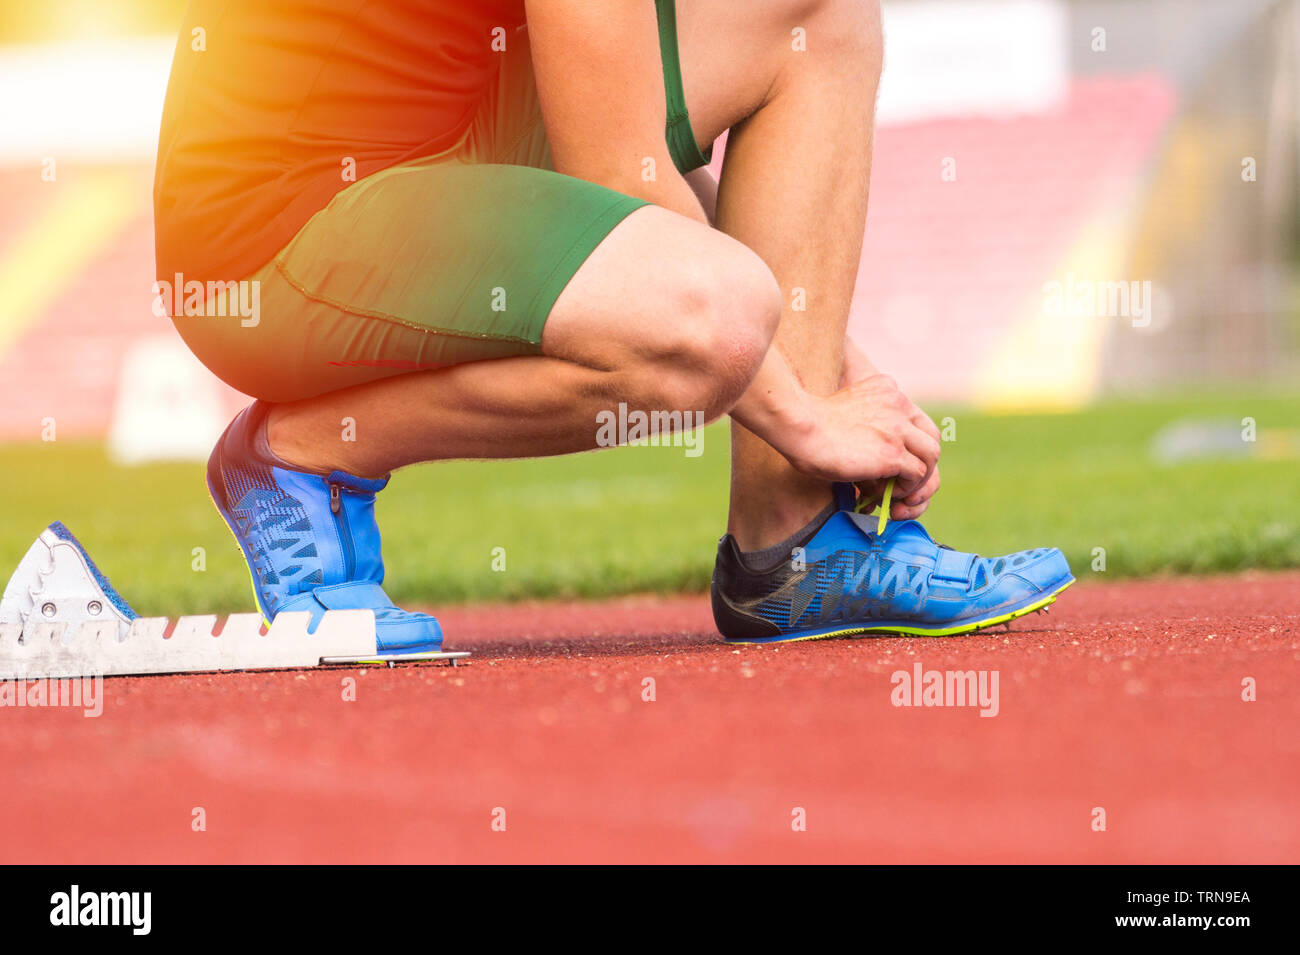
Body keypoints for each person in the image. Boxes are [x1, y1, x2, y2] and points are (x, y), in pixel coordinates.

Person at [154, 0, 1072, 652]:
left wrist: (838, 376)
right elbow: (624, 184)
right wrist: (806, 415)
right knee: (703, 332)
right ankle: (300, 454)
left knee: (817, 17)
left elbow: (630, 144)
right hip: (271, 228)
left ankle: (793, 546)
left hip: (439, 141)